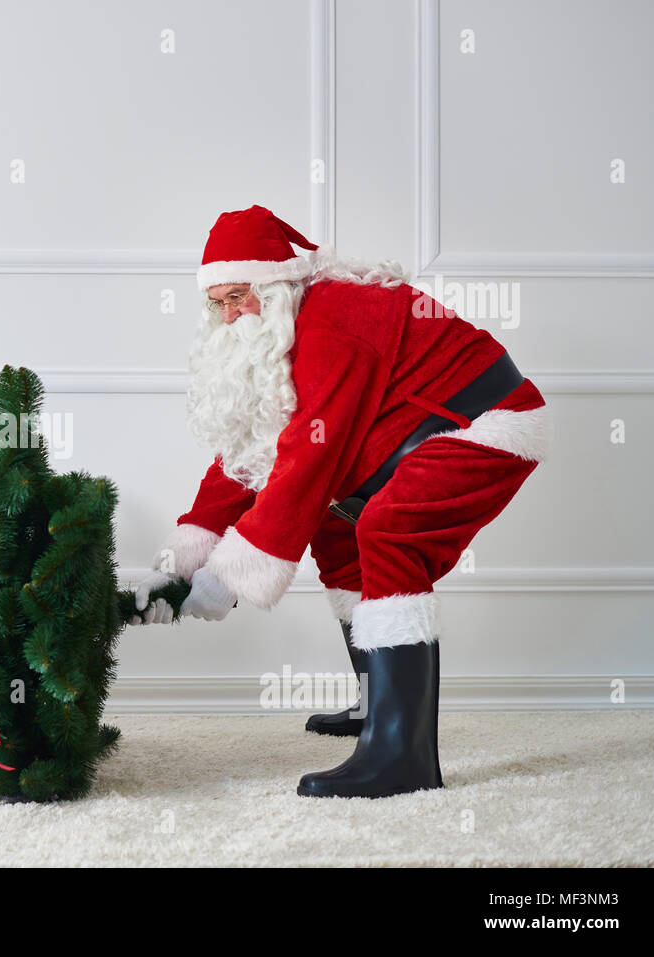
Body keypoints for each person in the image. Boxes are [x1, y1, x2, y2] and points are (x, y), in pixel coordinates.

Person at [128, 204, 551, 798]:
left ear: (276, 286)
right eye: (218, 302)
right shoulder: (277, 335)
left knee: (389, 529)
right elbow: (252, 452)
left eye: (240, 296)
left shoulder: (333, 320)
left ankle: (400, 755)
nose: (230, 315)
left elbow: (307, 457)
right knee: (337, 529)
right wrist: (186, 553)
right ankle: (378, 703)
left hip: (486, 421)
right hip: (407, 431)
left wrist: (228, 578)